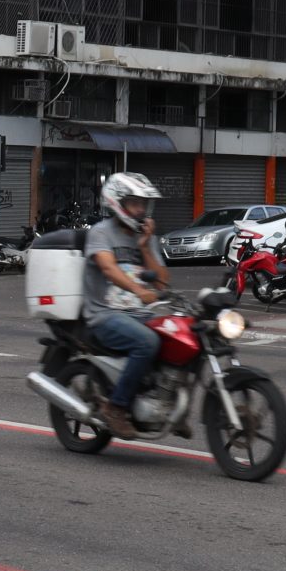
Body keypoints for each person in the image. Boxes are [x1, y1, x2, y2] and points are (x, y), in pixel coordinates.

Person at [83, 171, 169, 439]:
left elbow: (163, 283)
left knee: (180, 336)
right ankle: (116, 407)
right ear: (117, 202)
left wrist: (144, 247)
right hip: (105, 314)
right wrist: (137, 290)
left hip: (141, 314)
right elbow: (109, 269)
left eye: (144, 204)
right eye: (135, 203)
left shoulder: (145, 237)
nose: (141, 209)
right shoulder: (101, 233)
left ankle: (168, 405)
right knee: (147, 343)